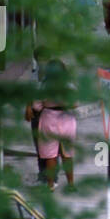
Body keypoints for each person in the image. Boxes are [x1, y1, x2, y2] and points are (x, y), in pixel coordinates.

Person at [31, 61, 76, 192]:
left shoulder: (43, 86)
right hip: (67, 118)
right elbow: (75, 103)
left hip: (49, 117)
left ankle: (50, 185)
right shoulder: (69, 85)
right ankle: (71, 184)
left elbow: (36, 106)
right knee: (67, 154)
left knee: (51, 155)